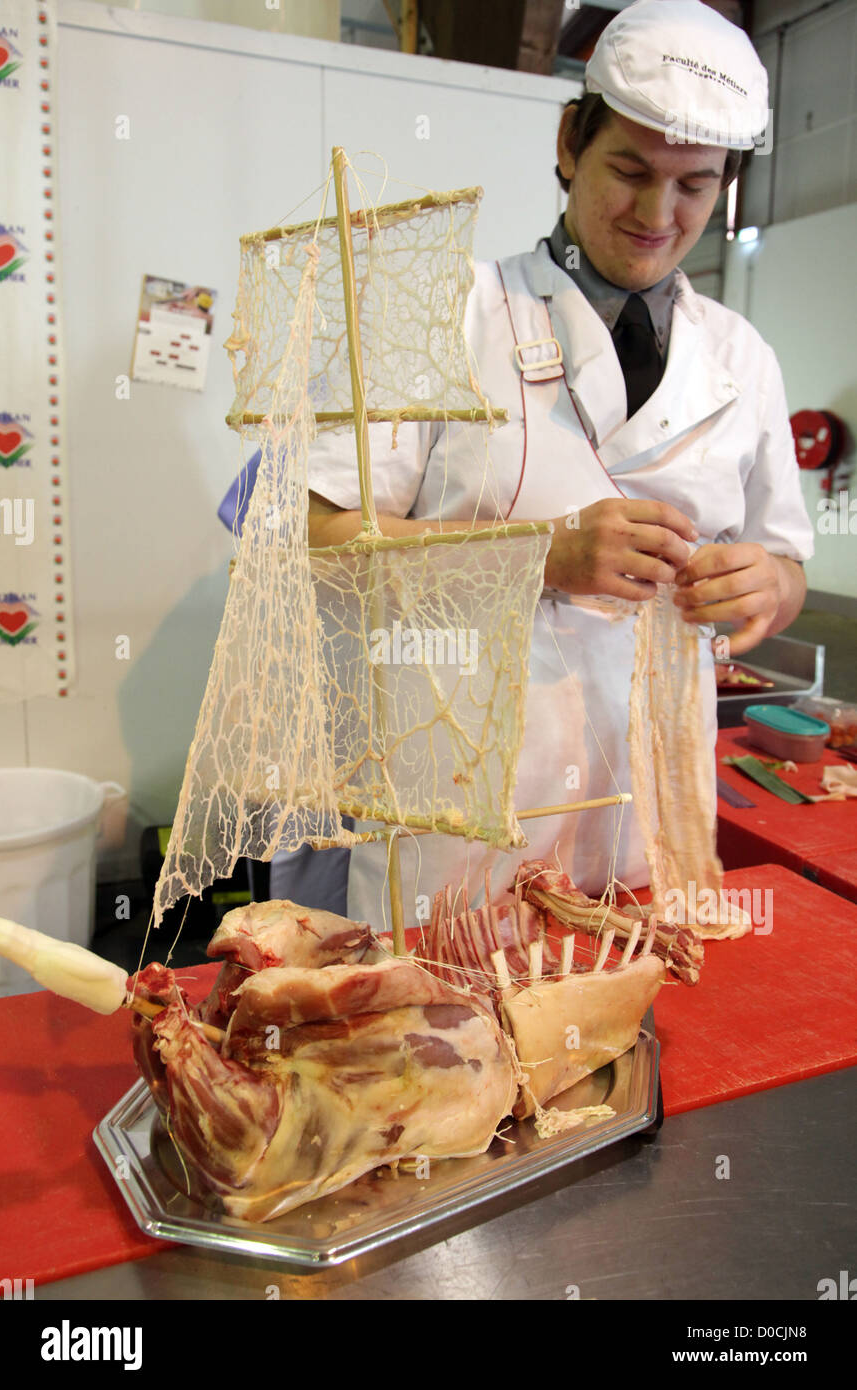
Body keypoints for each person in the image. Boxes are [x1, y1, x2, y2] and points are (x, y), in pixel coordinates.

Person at [304, 0, 814, 929]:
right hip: (459, 824)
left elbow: (785, 569)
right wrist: (543, 555)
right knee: (442, 1057)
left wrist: (766, 586)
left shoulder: (743, 358)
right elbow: (317, 545)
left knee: (628, 1054)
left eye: (695, 185)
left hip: (647, 833)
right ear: (571, 142)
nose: (659, 214)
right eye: (631, 170)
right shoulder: (437, 310)